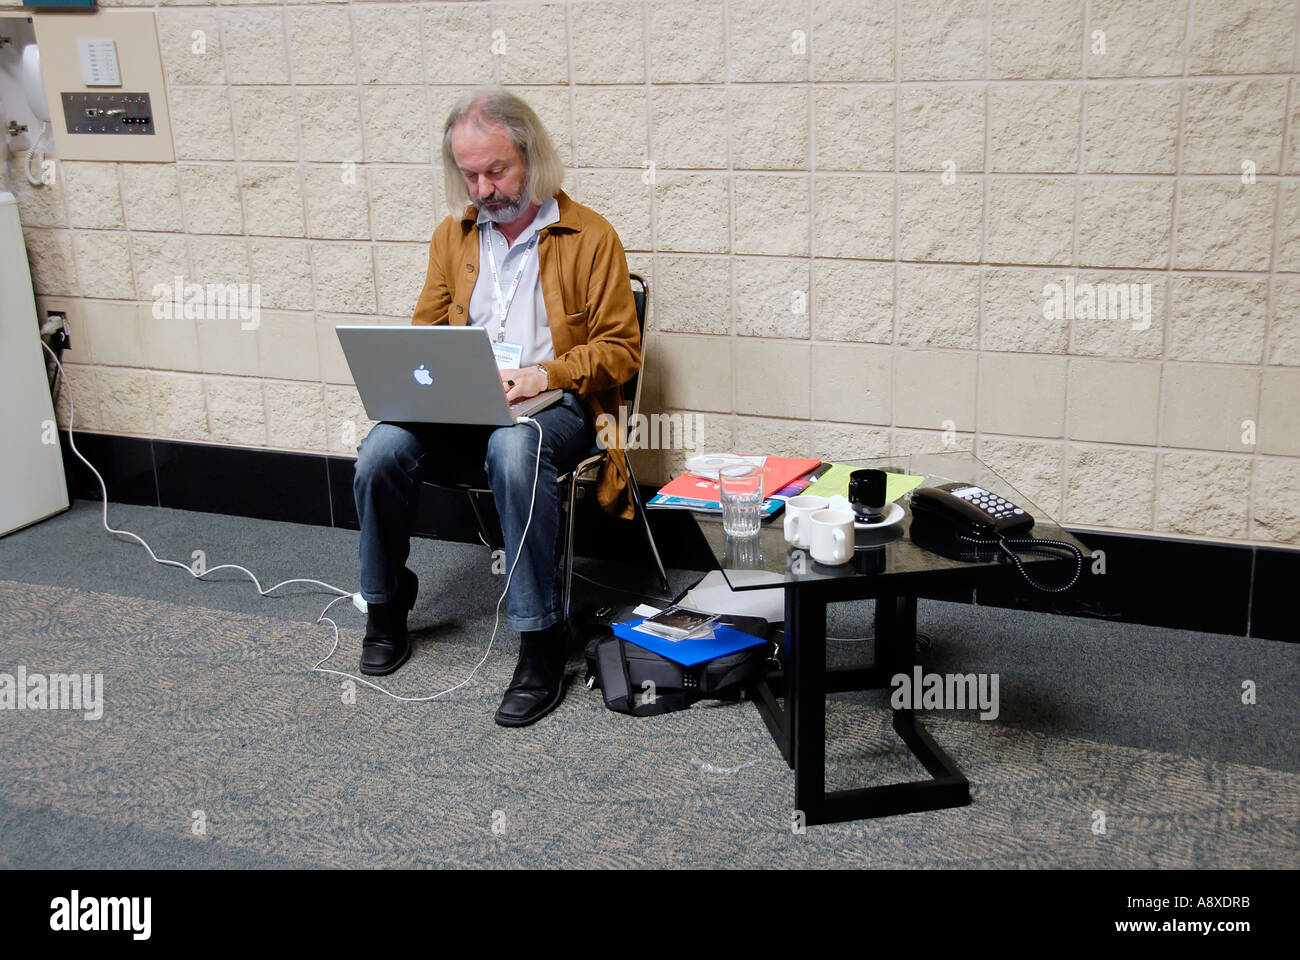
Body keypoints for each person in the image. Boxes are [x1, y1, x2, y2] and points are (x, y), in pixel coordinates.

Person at [352, 86, 641, 727]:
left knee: (516, 447)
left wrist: (546, 371)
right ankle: (386, 603)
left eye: (496, 170)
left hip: (559, 406)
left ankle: (541, 640)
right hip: (466, 403)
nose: (482, 188)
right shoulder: (451, 238)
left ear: (532, 158)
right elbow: (424, 336)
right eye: (469, 174)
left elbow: (622, 351)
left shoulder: (589, 235)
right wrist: (417, 376)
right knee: (379, 450)